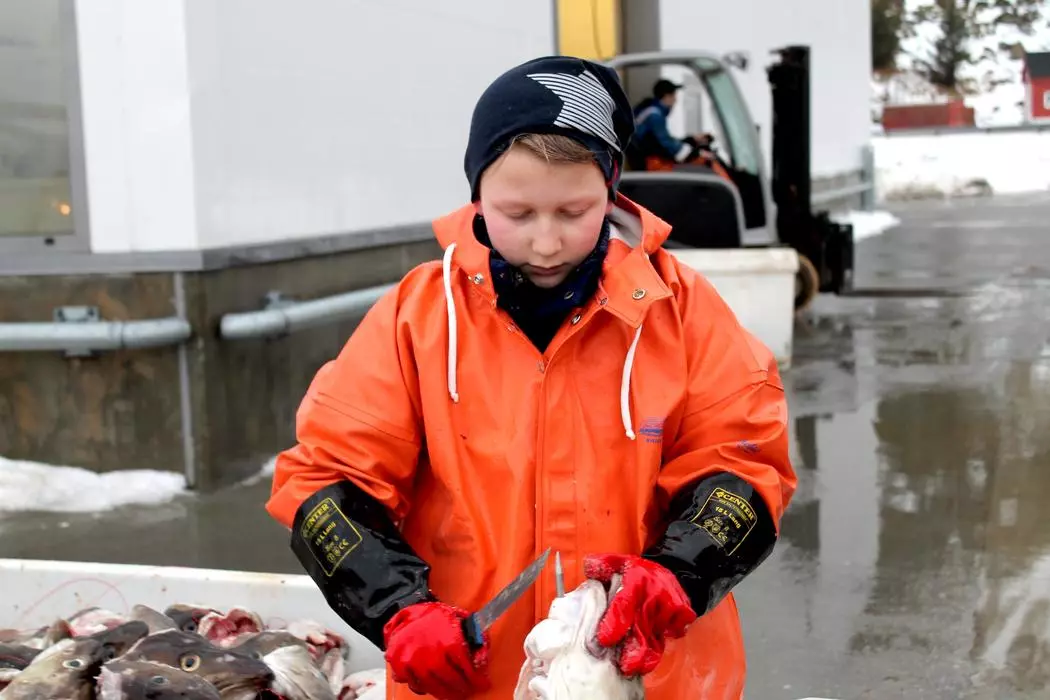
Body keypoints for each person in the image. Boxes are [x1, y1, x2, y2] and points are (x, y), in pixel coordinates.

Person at [266, 55, 796, 700]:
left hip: (646, 674)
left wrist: (677, 577)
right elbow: (327, 480)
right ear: (476, 194)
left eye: (575, 212)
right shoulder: (417, 319)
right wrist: (398, 609)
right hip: (467, 678)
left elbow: (746, 465)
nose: (546, 243)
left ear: (612, 190)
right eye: (516, 213)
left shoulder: (684, 313)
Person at [631, 78, 713, 167]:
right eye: (674, 96)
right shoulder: (654, 115)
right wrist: (698, 153)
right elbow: (668, 144)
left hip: (648, 158)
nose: (675, 100)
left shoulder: (651, 111)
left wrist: (692, 139)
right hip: (649, 163)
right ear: (667, 96)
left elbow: (663, 141)